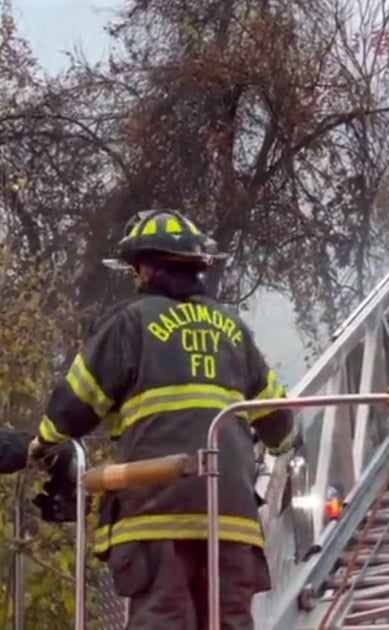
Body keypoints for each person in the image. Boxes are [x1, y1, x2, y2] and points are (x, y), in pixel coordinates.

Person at [27, 209, 299, 629]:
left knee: (164, 620)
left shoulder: (130, 324)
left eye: (137, 269)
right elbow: (280, 424)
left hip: (157, 517)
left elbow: (73, 406)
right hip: (230, 521)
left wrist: (43, 446)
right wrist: (279, 450)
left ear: (148, 267)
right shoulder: (233, 330)